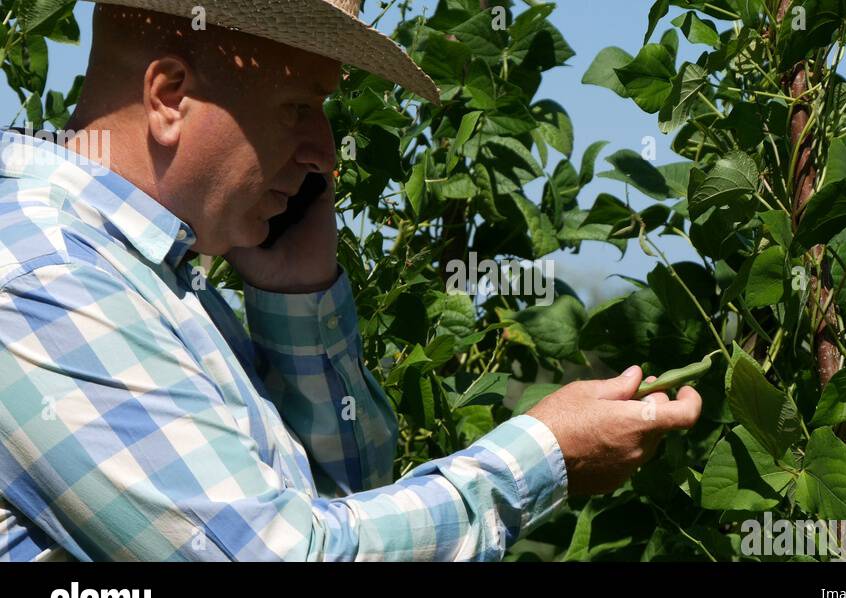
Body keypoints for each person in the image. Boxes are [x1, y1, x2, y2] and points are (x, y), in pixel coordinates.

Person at [0, 0, 701, 561]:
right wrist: (540, 460)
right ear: (169, 96)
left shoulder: (149, 280)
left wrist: (296, 300)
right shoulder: (42, 271)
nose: (324, 155)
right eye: (299, 107)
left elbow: (344, 508)